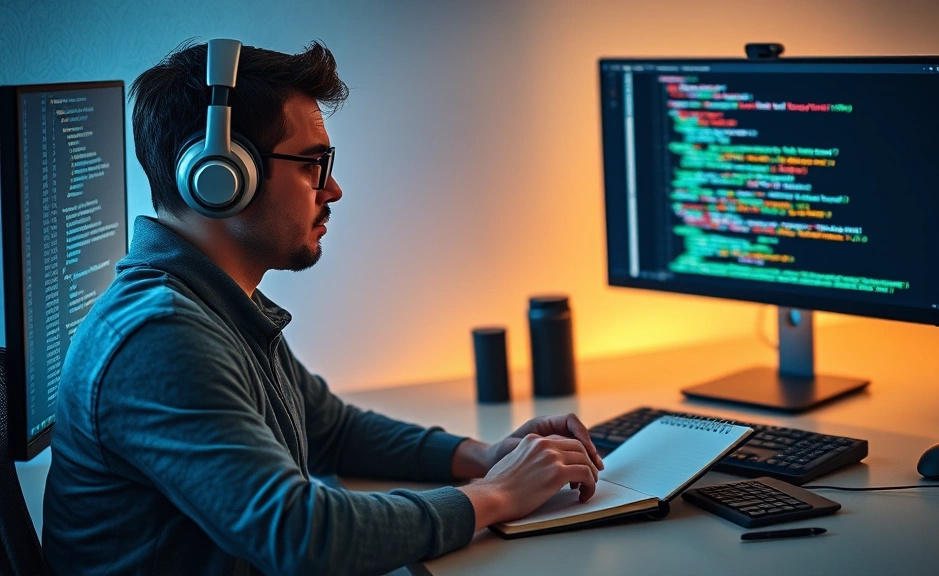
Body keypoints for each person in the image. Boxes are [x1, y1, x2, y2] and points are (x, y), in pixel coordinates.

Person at [42, 39, 604, 576]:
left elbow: (332, 430)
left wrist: (484, 456)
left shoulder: (214, 303)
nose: (333, 189)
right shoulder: (159, 339)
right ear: (223, 177)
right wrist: (497, 495)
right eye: (314, 163)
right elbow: (303, 537)